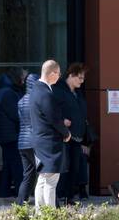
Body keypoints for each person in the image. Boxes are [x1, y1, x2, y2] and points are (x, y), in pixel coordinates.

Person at [28, 60, 70, 209]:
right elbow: (54, 119)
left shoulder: (35, 91)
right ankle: (50, 216)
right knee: (51, 181)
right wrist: (66, 133)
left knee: (42, 179)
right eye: (58, 74)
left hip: (40, 140)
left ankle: (40, 214)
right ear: (52, 73)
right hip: (49, 142)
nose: (59, 77)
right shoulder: (45, 93)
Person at [55, 63, 91, 203]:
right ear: (71, 76)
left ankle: (70, 196)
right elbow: (52, 110)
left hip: (77, 136)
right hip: (63, 136)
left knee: (74, 167)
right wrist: (62, 120)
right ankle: (60, 195)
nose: (82, 81)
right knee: (64, 167)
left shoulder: (78, 93)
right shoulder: (59, 91)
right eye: (80, 78)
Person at [0, 70, 25, 200]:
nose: (24, 81)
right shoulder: (9, 93)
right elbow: (15, 114)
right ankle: (20, 194)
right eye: (22, 78)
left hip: (6, 135)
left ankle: (4, 193)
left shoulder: (3, 92)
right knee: (17, 165)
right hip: (12, 135)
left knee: (8, 165)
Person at [15, 72, 38, 205]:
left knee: (28, 175)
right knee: (45, 175)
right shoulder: (37, 100)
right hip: (35, 142)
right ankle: (54, 207)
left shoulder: (21, 101)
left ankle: (19, 205)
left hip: (23, 143)